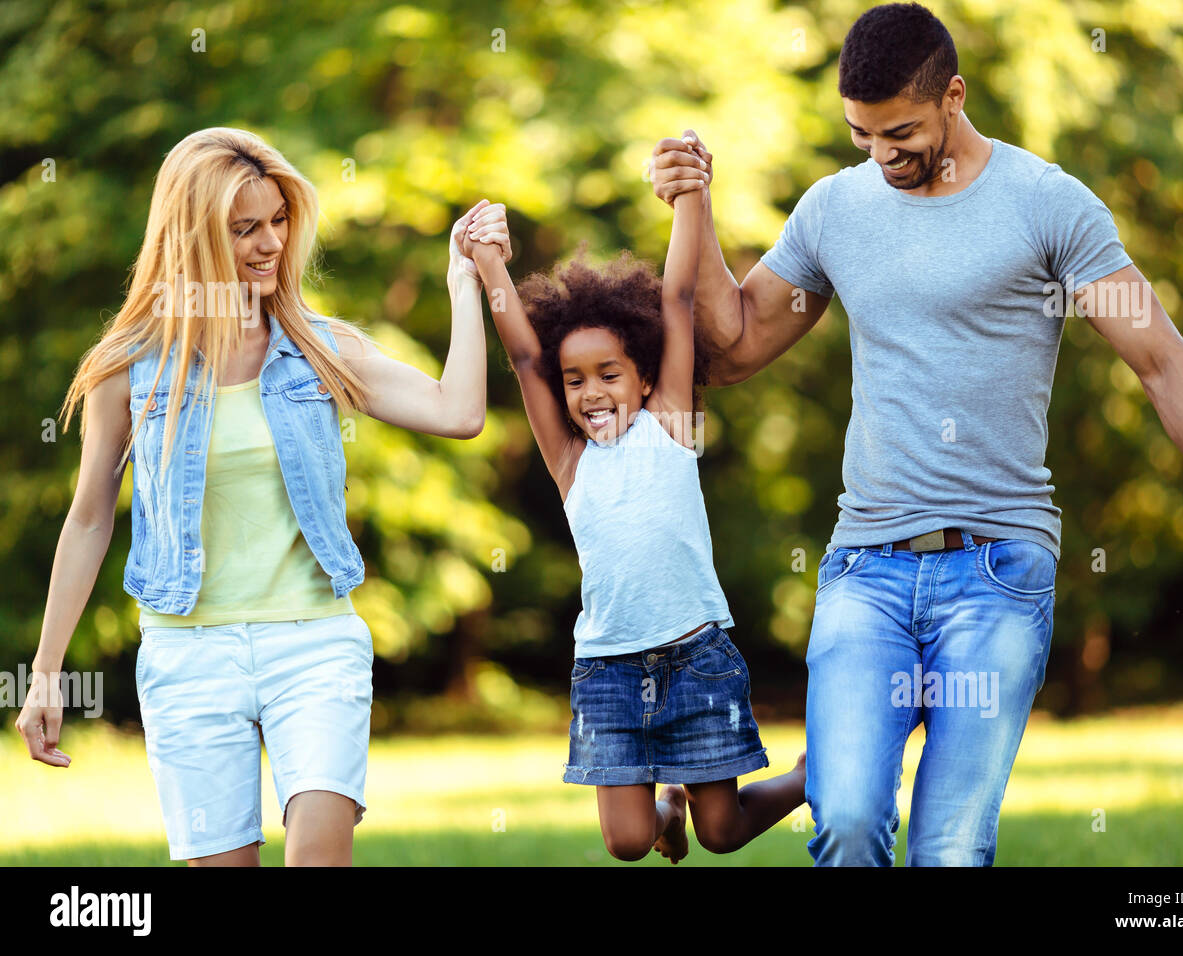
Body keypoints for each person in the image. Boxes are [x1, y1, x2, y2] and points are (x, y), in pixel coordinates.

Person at [650, 2, 1183, 866]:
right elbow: (730, 346)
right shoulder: (837, 211)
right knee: (842, 815)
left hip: (998, 573)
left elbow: (1160, 360)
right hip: (866, 569)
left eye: (902, 133)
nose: (881, 156)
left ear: (954, 96)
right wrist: (693, 209)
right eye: (862, 135)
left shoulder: (1045, 205)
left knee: (949, 845)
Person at [14, 127, 498, 866]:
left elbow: (458, 413)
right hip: (187, 654)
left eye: (278, 221)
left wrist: (464, 285)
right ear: (194, 236)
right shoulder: (130, 371)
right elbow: (87, 521)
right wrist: (45, 672)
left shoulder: (318, 348)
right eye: (244, 228)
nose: (270, 243)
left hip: (314, 644)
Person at [459, 185, 805, 863]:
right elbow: (527, 358)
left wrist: (690, 203)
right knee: (625, 842)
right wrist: (487, 265)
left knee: (723, 833)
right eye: (576, 380)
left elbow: (676, 300)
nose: (591, 393)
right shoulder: (570, 461)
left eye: (608, 374)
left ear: (644, 378)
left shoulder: (671, 424)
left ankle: (809, 777)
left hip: (697, 659)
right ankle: (663, 810)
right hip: (608, 671)